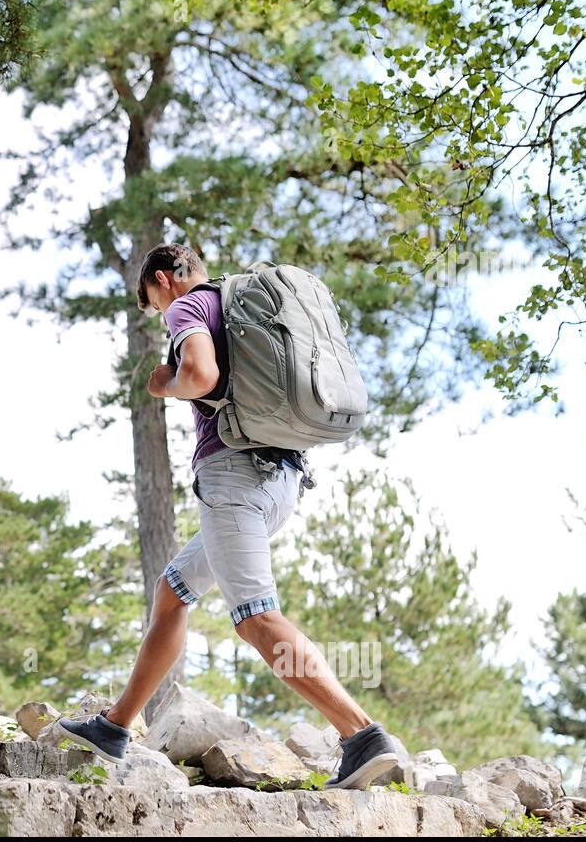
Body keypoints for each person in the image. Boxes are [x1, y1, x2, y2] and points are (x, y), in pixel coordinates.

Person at [55, 243, 398, 790]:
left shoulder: (185, 307)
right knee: (172, 592)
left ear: (166, 279)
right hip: (281, 479)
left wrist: (161, 382)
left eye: (151, 301)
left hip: (233, 477)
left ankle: (361, 735)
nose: (156, 312)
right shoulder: (235, 304)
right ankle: (115, 727)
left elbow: (198, 375)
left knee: (255, 617)